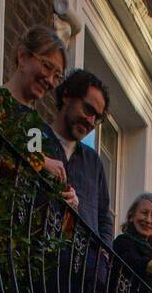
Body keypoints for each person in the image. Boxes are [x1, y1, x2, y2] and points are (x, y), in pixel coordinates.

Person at [0, 26, 75, 209]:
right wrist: (42, 162)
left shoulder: (33, 124)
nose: (50, 80)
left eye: (57, 76)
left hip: (20, 231)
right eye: (47, 66)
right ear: (23, 57)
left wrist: (68, 197)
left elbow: (31, 176)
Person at [45, 70, 113, 239]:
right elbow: (25, 158)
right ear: (67, 96)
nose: (91, 121)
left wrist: (103, 259)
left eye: (97, 118)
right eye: (88, 109)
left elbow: (104, 219)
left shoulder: (94, 162)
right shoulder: (35, 132)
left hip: (81, 262)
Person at [112, 193, 152, 285]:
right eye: (144, 213)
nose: (148, 220)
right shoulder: (122, 242)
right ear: (131, 216)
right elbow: (132, 262)